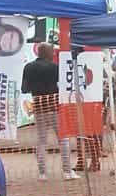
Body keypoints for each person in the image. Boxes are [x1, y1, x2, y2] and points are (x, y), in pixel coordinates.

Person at [21, 42, 76, 180]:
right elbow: (63, 86)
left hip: (39, 107)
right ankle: (67, 171)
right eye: (52, 52)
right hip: (55, 106)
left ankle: (42, 173)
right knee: (63, 139)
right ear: (48, 53)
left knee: (41, 141)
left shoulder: (29, 67)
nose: (53, 54)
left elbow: (24, 89)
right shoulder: (55, 67)